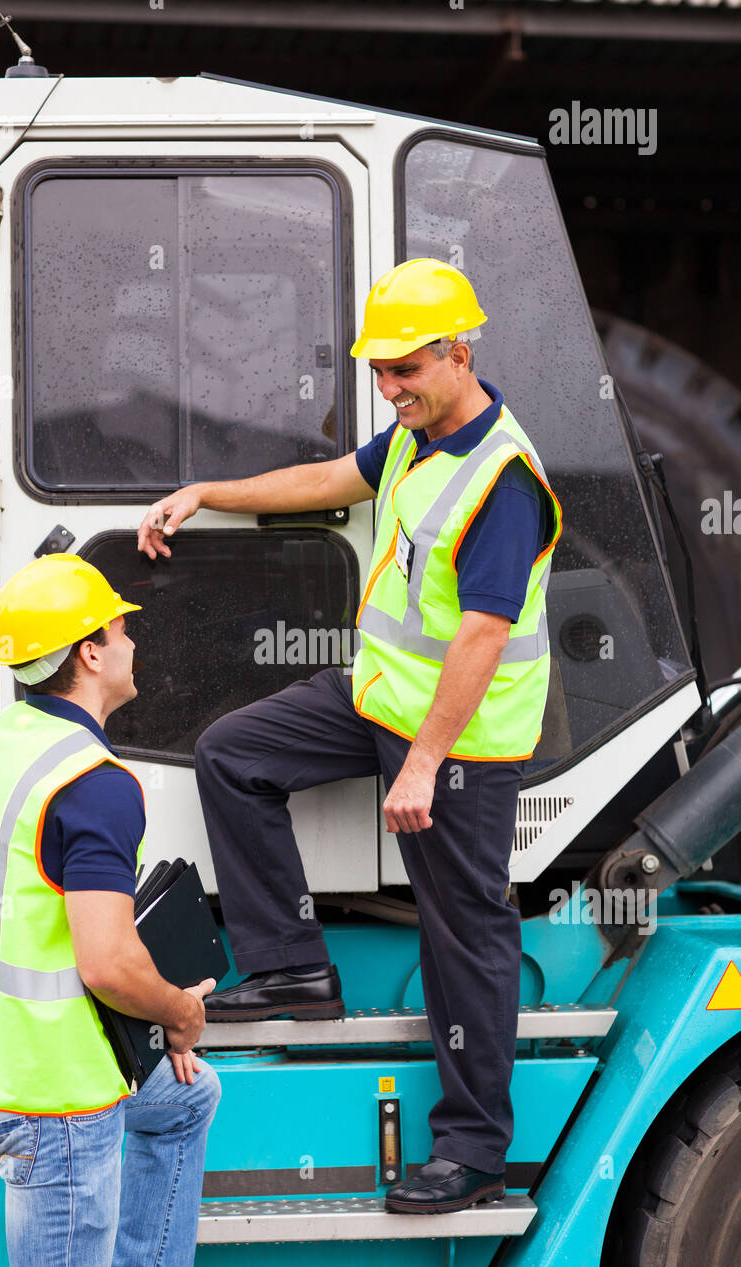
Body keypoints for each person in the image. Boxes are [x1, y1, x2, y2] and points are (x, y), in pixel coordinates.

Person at [137, 258, 562, 1215]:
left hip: (460, 743)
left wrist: (420, 764)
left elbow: (484, 638)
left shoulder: (503, 479)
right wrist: (211, 490)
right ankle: (293, 964)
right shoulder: (420, 434)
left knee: (466, 942)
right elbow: (336, 475)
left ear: (460, 354)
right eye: (380, 370)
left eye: (404, 369)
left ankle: (473, 1155)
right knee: (233, 755)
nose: (389, 388)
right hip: (382, 698)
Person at [0, 553, 221, 1267]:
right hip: (52, 1096)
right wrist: (180, 1013)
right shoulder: (95, 785)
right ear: (91, 652)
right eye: (122, 628)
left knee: (188, 1098)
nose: (134, 644)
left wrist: (151, 1032)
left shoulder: (6, 738)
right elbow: (106, 966)